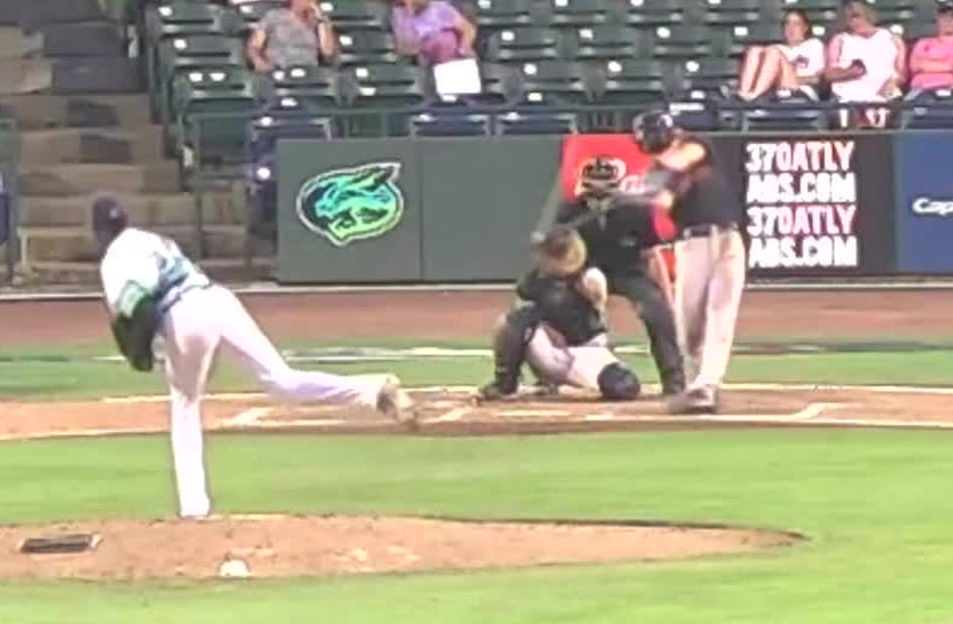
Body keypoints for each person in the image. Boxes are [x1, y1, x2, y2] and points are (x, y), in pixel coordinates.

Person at [92, 195, 415, 520]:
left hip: (184, 317)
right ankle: (373, 390)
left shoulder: (114, 260)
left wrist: (139, 352)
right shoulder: (150, 239)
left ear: (99, 233)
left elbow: (140, 308)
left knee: (185, 406)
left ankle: (194, 509)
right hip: (218, 300)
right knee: (282, 381)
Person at [622, 110, 744, 416]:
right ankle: (696, 383)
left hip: (726, 239)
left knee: (719, 314)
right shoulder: (659, 171)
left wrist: (639, 184)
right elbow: (663, 201)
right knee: (688, 323)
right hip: (691, 244)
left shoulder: (695, 143)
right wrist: (629, 196)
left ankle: (707, 386)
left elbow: (680, 160)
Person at [551, 157, 686, 395]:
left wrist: (666, 295)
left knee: (656, 310)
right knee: (555, 304)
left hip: (629, 271)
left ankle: (674, 378)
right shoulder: (569, 212)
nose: (599, 199)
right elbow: (560, 259)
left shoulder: (635, 211)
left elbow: (651, 254)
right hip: (585, 272)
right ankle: (552, 375)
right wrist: (577, 282)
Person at [475, 227, 643, 403]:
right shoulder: (534, 281)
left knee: (621, 385)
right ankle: (506, 384)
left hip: (586, 350)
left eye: (547, 254)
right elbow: (521, 322)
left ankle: (549, 380)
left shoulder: (589, 277)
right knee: (515, 320)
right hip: (552, 352)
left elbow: (598, 307)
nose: (540, 259)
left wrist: (591, 292)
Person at [821, 0, 903, 123]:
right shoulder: (840, 40)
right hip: (847, 95)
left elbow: (901, 73)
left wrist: (893, 82)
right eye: (850, 16)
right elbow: (829, 74)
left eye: (858, 14)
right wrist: (849, 73)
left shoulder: (892, 39)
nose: (855, 20)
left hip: (884, 95)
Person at [389, 0, 478, 74]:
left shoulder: (439, 8)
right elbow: (405, 48)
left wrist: (462, 50)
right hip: (428, 65)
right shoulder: (398, 15)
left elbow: (468, 29)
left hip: (457, 61)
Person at [735, 9, 825, 102]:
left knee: (774, 53)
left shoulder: (814, 45)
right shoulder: (777, 47)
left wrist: (779, 79)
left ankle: (755, 96)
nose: (791, 28)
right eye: (787, 23)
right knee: (754, 50)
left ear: (805, 27)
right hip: (776, 91)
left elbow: (817, 79)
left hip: (801, 90)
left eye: (796, 24)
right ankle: (743, 93)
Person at [246, 0, 339, 72]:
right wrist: (259, 62)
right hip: (277, 68)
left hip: (309, 71)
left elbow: (328, 52)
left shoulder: (319, 21)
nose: (310, 0)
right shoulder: (274, 16)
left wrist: (320, 20)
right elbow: (254, 46)